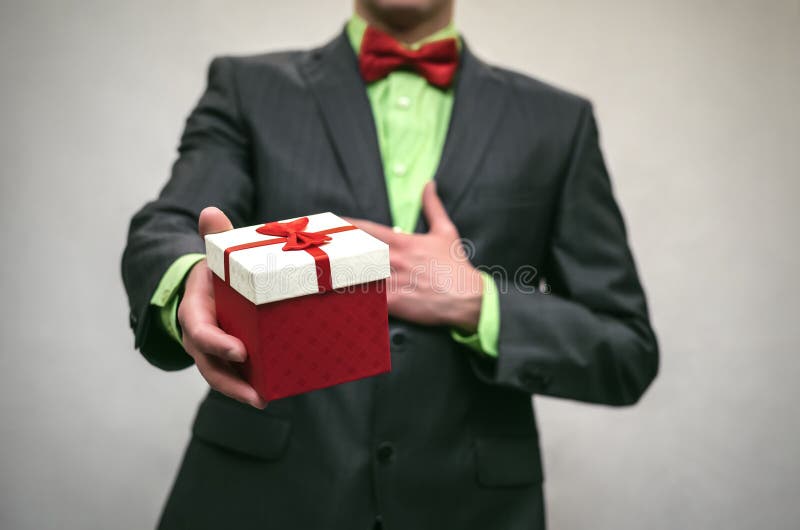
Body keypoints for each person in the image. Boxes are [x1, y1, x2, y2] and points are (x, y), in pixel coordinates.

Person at [122, 0, 659, 528]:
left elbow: (626, 348)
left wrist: (480, 304)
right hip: (260, 497)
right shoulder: (246, 87)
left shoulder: (559, 122)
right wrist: (190, 275)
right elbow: (171, 226)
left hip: (472, 508)